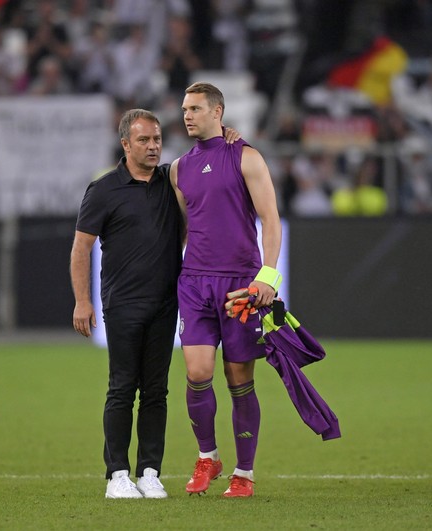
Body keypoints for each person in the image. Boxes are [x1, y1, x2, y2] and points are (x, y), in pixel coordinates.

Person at [70, 108, 240, 499]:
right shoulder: (104, 189)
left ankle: (149, 470)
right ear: (125, 144)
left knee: (156, 391)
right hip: (123, 303)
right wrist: (82, 300)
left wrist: (225, 134)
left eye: (157, 139)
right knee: (121, 388)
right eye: (143, 140)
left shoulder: (170, 180)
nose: (153, 147)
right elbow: (81, 246)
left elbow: (206, 161)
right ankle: (117, 475)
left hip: (166, 303)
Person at [170, 82, 282, 498]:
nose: (187, 115)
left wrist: (267, 278)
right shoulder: (178, 168)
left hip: (239, 285)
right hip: (195, 282)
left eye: (196, 108)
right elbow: (181, 230)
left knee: (239, 380)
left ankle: (244, 473)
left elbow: (271, 219)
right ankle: (207, 457)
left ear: (218, 112)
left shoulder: (246, 156)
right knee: (197, 373)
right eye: (184, 108)